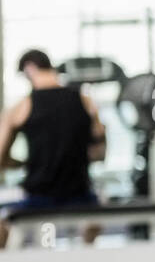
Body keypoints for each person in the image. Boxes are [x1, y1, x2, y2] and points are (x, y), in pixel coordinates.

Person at [0, 49, 106, 247]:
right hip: (80, 196)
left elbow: (1, 158)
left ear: (29, 69)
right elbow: (100, 152)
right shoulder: (85, 101)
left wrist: (23, 164)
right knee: (91, 224)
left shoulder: (22, 107)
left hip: (39, 198)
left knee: (5, 225)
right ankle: (87, 258)